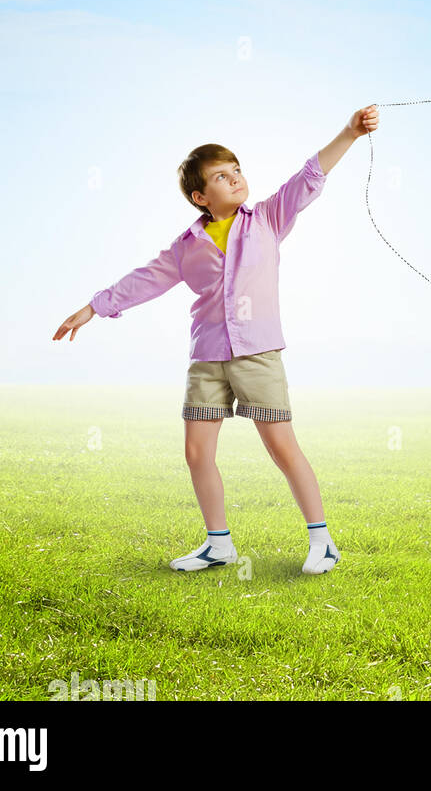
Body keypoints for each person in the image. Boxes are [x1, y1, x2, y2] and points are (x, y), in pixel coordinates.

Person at [53, 106, 380, 575]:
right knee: (196, 453)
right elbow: (146, 279)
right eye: (223, 177)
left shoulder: (267, 217)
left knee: (282, 447)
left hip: (258, 354)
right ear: (200, 195)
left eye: (238, 171)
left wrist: (349, 133)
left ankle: (322, 541)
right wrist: (92, 308)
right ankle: (218, 544)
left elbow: (309, 176)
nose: (236, 179)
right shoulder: (186, 247)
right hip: (207, 357)